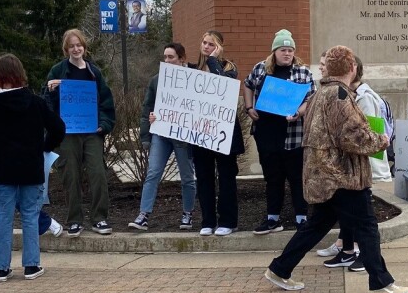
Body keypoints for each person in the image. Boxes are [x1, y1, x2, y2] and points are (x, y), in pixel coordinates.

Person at [263, 45, 408, 293]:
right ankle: (380, 283)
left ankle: (280, 268)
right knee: (366, 227)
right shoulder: (341, 95)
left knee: (316, 225)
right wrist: (381, 141)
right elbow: (351, 136)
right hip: (343, 176)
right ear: (352, 68)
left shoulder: (322, 93)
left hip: (325, 174)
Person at [0, 54, 66, 282]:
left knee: (3, 217)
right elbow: (58, 127)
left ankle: (2, 268)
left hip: (0, 170)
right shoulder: (35, 102)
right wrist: (44, 147)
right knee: (29, 215)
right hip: (30, 168)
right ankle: (31, 266)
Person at [321, 57, 393, 269]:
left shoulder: (365, 98)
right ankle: (346, 249)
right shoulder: (346, 95)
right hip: (352, 163)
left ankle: (360, 252)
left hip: (365, 163)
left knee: (364, 214)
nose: (324, 69)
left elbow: (368, 134)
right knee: (349, 210)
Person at [45, 29, 116, 237]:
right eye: (71, 46)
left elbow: (106, 102)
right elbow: (47, 106)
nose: (76, 49)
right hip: (67, 133)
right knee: (70, 174)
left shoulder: (94, 73)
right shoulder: (57, 71)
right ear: (66, 49)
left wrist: (104, 125)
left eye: (79, 45)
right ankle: (74, 220)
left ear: (84, 47)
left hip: (92, 132)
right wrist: (50, 90)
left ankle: (100, 218)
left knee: (98, 173)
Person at [242, 29, 313, 234]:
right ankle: (273, 218)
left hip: (294, 134)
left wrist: (298, 113)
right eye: (283, 49)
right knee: (273, 178)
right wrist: (249, 107)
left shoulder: (303, 72)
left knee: (296, 177)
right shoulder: (261, 69)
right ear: (274, 51)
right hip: (267, 134)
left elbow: (310, 99)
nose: (287, 53)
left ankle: (301, 217)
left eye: (290, 50)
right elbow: (247, 85)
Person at [130, 43, 197, 232]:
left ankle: (187, 213)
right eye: (165, 57)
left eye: (171, 57)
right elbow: (147, 108)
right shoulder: (156, 80)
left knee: (187, 176)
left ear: (181, 58)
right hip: (161, 132)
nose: (167, 61)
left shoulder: (194, 80)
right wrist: (147, 130)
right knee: (153, 173)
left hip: (183, 135)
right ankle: (143, 214)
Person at [192, 30, 245, 236]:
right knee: (204, 178)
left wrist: (213, 60)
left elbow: (222, 86)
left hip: (224, 133)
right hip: (200, 132)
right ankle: (207, 221)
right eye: (204, 43)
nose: (206, 47)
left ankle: (228, 221)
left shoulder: (229, 68)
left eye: (211, 44)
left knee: (226, 178)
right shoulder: (193, 69)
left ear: (219, 48)